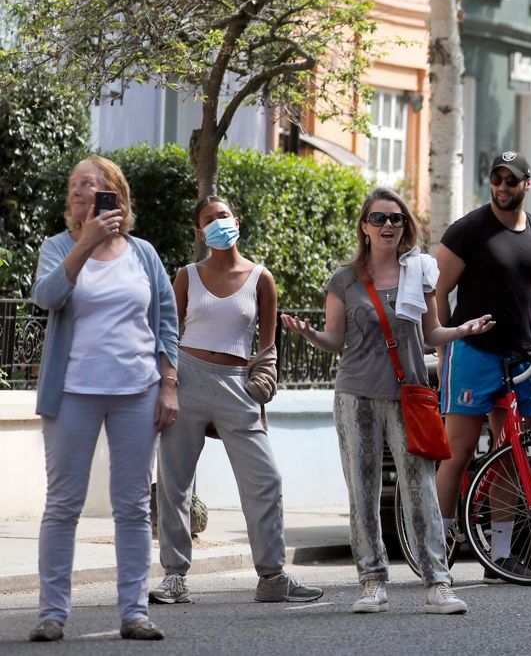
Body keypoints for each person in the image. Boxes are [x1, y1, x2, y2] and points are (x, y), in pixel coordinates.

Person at [282, 188, 490, 614]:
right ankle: (371, 582)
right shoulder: (345, 279)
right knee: (362, 490)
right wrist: (309, 334)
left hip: (408, 393)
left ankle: (439, 582)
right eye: (378, 219)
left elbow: (432, 333)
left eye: (395, 219)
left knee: (420, 489)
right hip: (355, 394)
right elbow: (335, 339)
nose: (388, 226)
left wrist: (463, 331)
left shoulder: (421, 272)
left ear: (405, 226)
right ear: (365, 227)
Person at [28, 156, 178, 642]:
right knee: (63, 505)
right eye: (74, 185)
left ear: (115, 195)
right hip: (72, 392)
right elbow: (46, 297)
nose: (78, 192)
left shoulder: (143, 253)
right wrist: (85, 245)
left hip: (137, 390)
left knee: (133, 507)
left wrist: (170, 382)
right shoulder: (57, 247)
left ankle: (134, 613)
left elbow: (165, 320)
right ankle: (52, 614)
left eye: (90, 185)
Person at [151, 197, 322, 606]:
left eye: (222, 216)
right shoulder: (187, 275)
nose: (217, 223)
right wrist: (168, 383)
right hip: (188, 379)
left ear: (236, 221)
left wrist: (263, 376)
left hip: (236, 386)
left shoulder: (261, 278)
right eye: (209, 220)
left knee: (266, 479)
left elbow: (267, 345)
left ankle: (272, 577)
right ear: (200, 232)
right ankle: (174, 576)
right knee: (175, 483)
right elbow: (169, 333)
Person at [433, 151, 531, 583]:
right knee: (458, 452)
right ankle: (439, 550)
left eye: (511, 180)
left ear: (527, 183)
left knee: (507, 454)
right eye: (496, 179)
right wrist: (449, 342)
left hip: (519, 361)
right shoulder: (469, 230)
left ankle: (500, 556)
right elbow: (438, 292)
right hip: (474, 356)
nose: (502, 187)